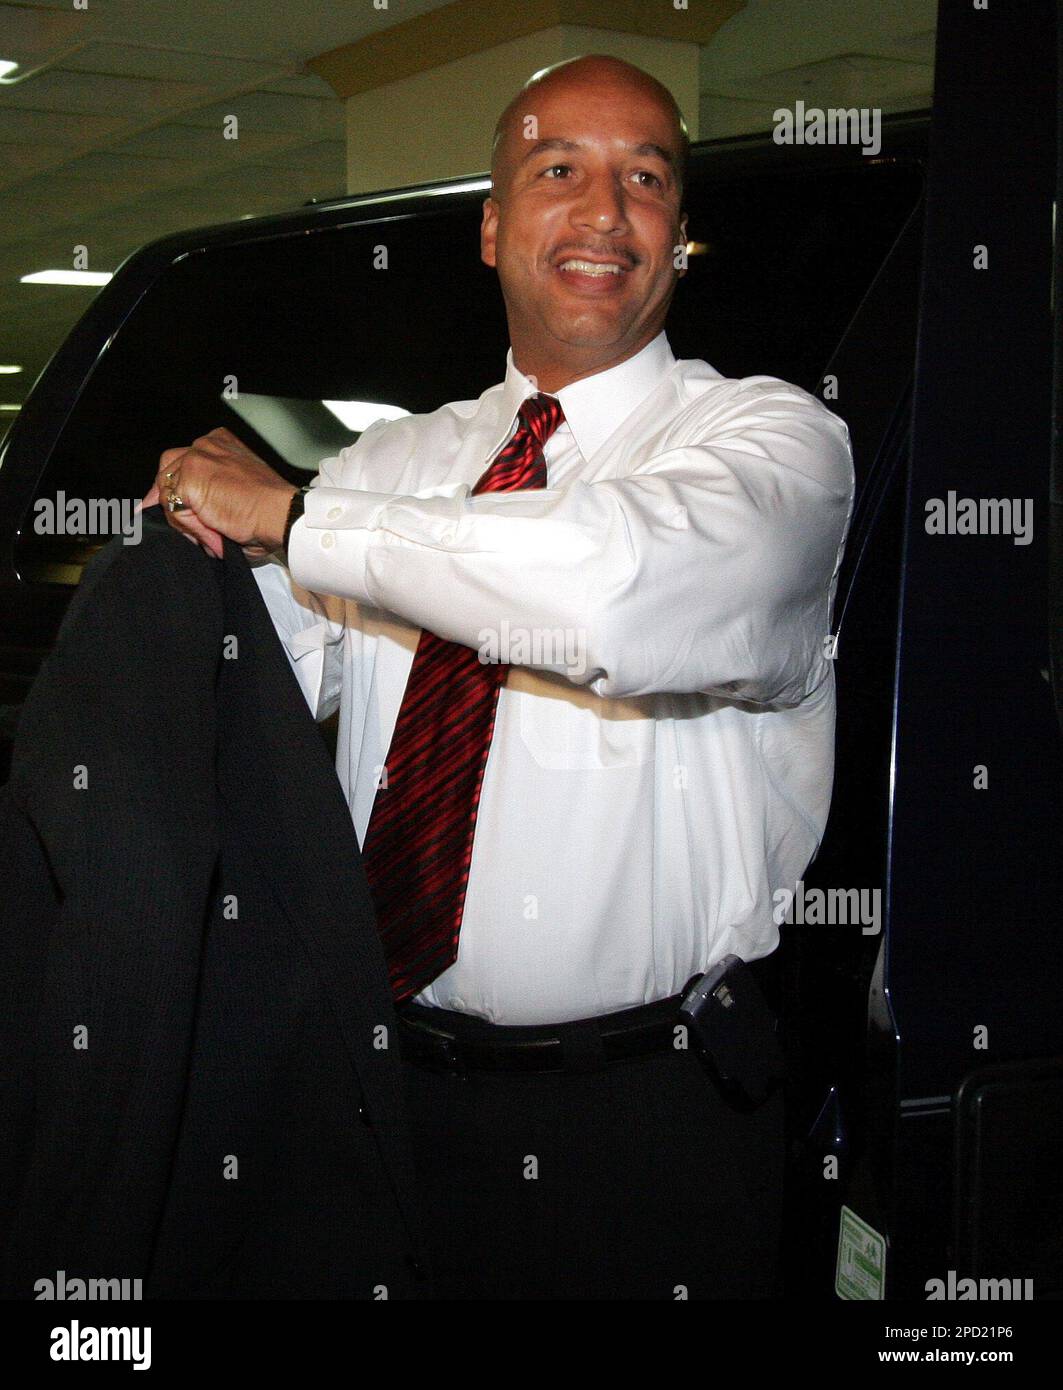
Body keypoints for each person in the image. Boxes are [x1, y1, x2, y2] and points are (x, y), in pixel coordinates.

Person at [140, 54, 854, 1299]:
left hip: (644, 1128)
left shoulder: (773, 446)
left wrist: (300, 518)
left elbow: (609, 587)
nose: (603, 211)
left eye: (645, 178)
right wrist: (181, 538)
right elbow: (222, 680)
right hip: (373, 1100)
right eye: (556, 170)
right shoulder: (395, 462)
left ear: (679, 236)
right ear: (490, 227)